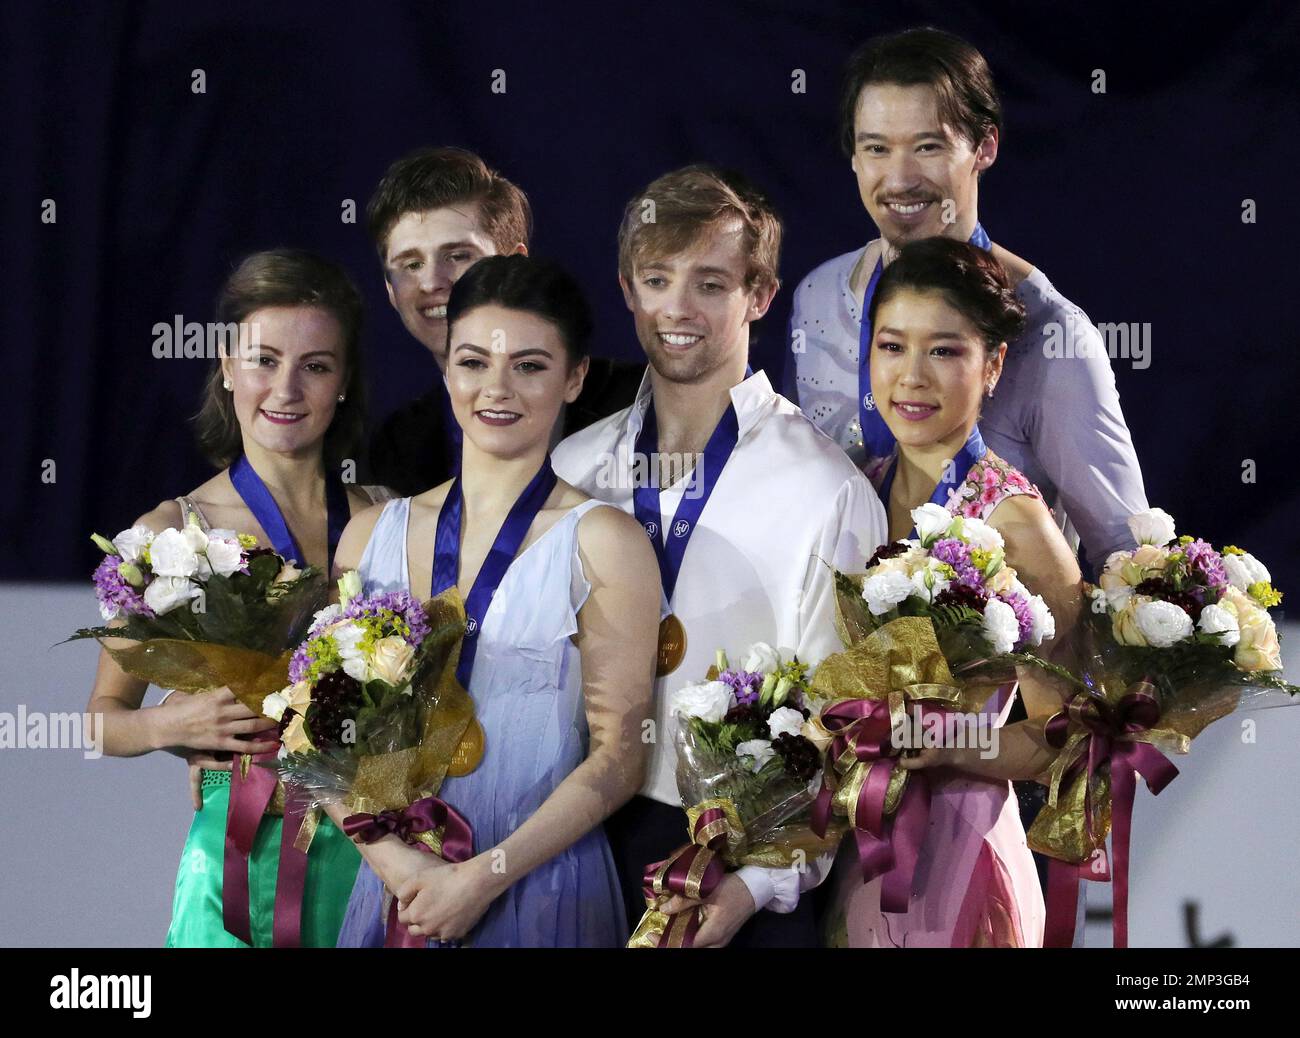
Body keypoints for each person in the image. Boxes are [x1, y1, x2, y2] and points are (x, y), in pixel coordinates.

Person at [552, 165, 888, 947]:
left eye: (710, 282)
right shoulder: (574, 466)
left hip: (737, 873)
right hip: (572, 843)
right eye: (657, 279)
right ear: (628, 291)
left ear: (760, 295)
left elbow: (847, 728)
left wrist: (756, 883)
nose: (678, 308)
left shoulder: (826, 491)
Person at [328, 254, 659, 947]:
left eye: (530, 366)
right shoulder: (369, 535)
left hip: (540, 888)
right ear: (446, 367)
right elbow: (323, 731)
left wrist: (480, 879)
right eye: (474, 362)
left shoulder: (604, 541)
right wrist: (398, 866)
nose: (497, 388)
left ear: (574, 377)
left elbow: (620, 758)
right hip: (399, 890)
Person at [86, 249, 389, 946]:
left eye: (315, 365)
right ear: (225, 364)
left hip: (370, 852)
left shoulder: (390, 517)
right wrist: (173, 727)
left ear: (343, 382)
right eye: (263, 359)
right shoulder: (168, 533)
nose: (285, 388)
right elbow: (101, 719)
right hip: (234, 858)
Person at [787, 26, 1147, 576]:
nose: (901, 178)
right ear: (854, 157)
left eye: (928, 146)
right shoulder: (817, 298)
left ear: (985, 147)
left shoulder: (1052, 329)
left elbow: (1127, 561)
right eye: (877, 147)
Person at [821, 236, 1084, 947]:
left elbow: (1062, 738)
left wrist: (944, 740)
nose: (911, 376)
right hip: (848, 840)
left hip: (961, 852)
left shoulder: (1016, 523)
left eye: (944, 351)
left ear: (993, 365)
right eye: (891, 346)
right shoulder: (855, 485)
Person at [365, 146, 643, 496]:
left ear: (515, 262)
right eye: (411, 264)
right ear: (390, 289)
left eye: (458, 255)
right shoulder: (397, 446)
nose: (432, 282)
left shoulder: (636, 404)